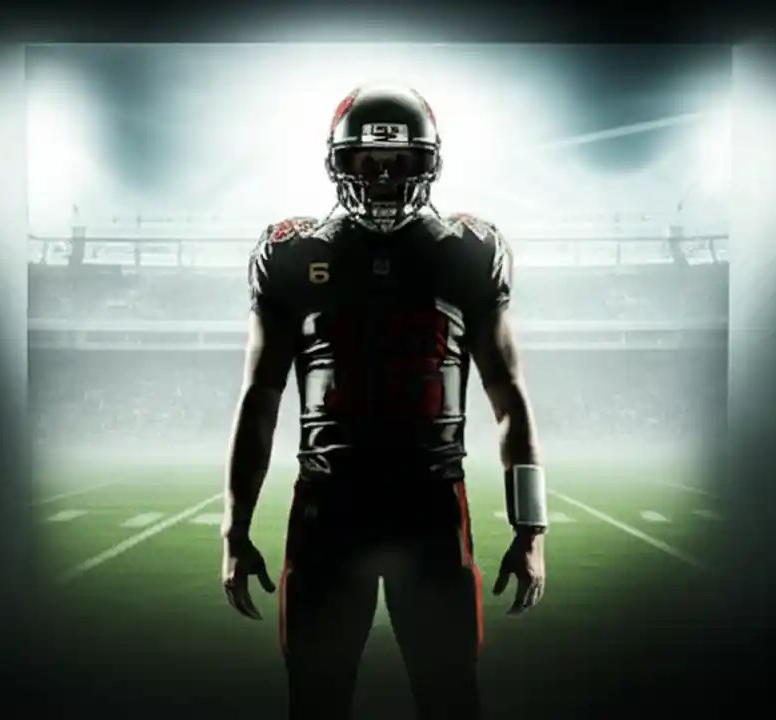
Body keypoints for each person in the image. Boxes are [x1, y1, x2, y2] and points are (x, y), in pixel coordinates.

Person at [221, 83, 548, 719]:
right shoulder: (293, 252)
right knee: (315, 699)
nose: (381, 177)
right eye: (367, 162)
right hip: (326, 509)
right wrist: (234, 530)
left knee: (450, 696)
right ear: (339, 163)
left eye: (397, 162)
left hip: (430, 509)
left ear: (426, 164)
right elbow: (259, 397)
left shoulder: (467, 252)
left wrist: (530, 529)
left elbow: (508, 397)